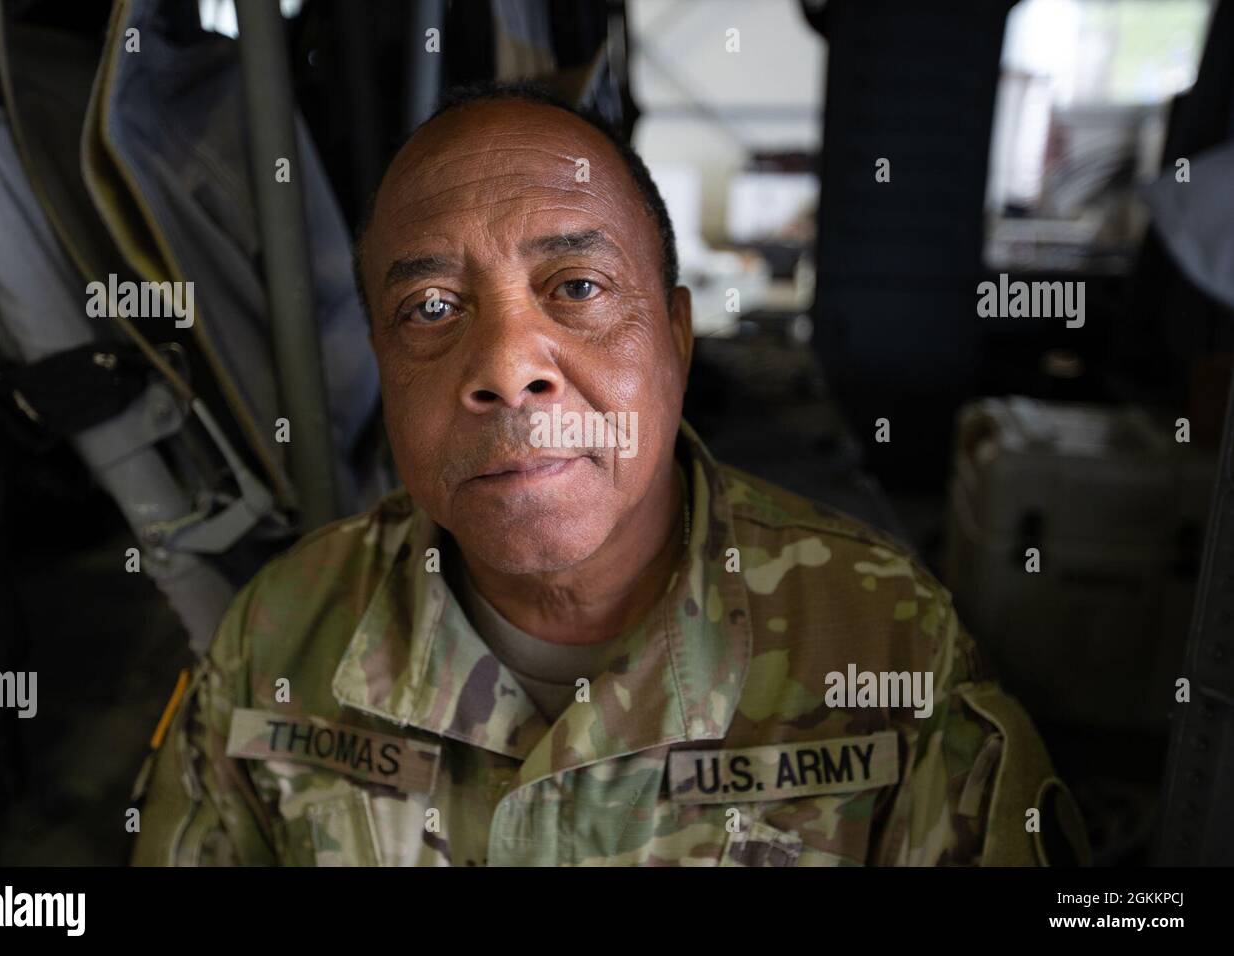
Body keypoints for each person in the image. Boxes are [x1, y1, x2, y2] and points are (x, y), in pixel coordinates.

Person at [130, 82, 1089, 867]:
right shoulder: (279, 638)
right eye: (431, 306)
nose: (508, 366)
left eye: (578, 288)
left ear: (676, 337)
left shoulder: (883, 636)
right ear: (383, 363)